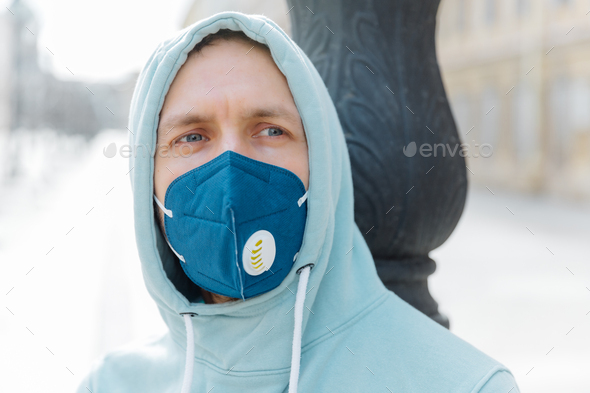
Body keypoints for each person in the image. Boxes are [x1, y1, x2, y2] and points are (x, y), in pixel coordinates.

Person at [76, 12, 520, 393]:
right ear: (147, 183)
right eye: (191, 137)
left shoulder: (463, 385)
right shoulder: (112, 385)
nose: (232, 173)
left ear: (322, 162)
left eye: (270, 130)